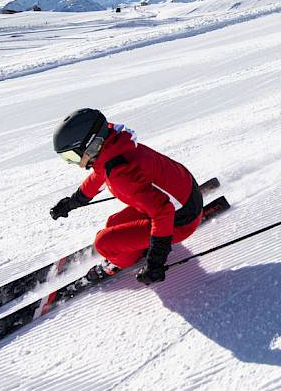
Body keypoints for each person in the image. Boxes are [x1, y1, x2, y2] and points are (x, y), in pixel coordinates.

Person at [49, 108, 203, 285]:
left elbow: (163, 211)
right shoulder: (112, 147)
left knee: (104, 243)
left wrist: (155, 262)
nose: (72, 163)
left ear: (91, 145)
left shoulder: (121, 173)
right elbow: (98, 176)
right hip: (185, 193)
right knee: (113, 223)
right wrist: (71, 203)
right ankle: (138, 246)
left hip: (182, 220)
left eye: (71, 156)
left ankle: (117, 263)